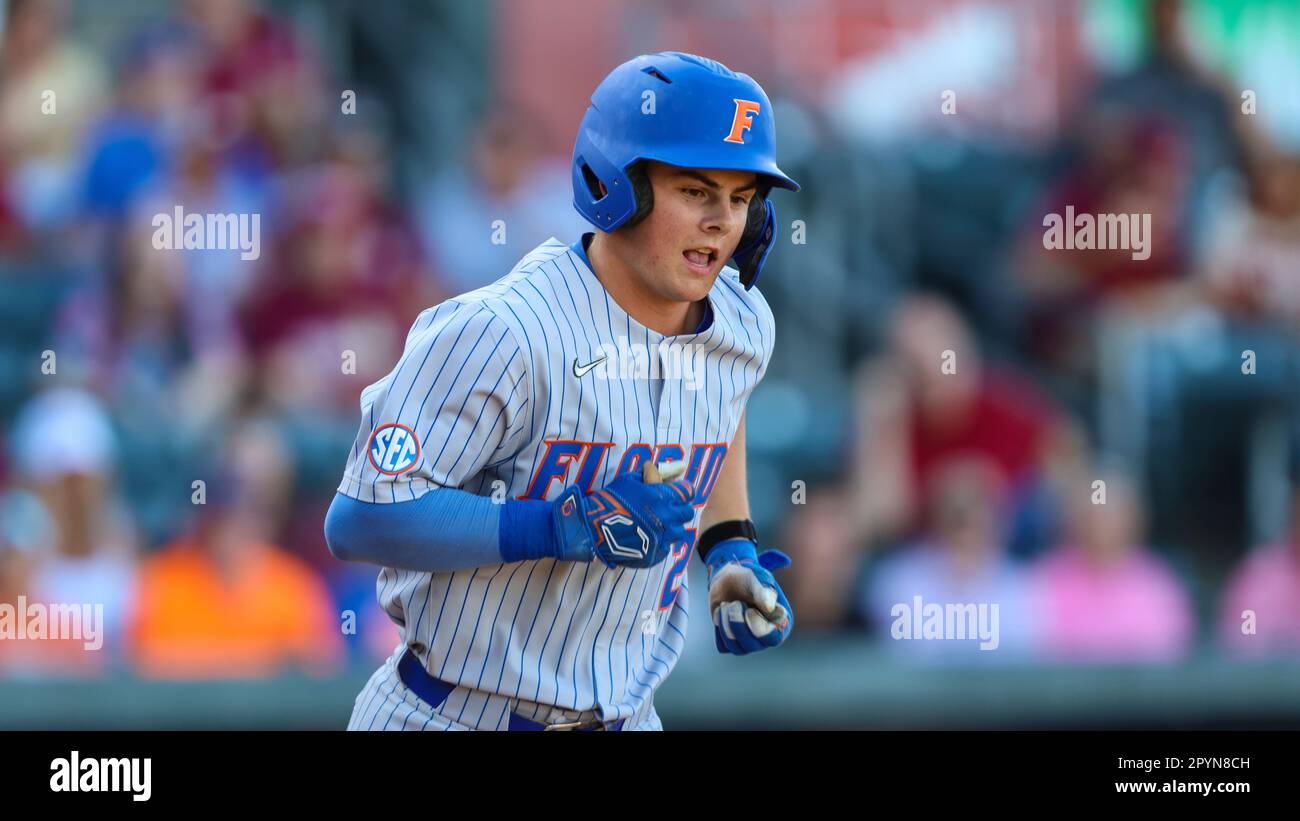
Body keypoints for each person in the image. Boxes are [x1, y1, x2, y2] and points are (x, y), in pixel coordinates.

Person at [325, 51, 799, 731]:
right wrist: (556, 525)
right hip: (456, 713)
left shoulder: (743, 319)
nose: (723, 220)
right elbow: (360, 520)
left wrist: (729, 548)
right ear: (618, 185)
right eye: (696, 191)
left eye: (741, 197)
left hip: (628, 716)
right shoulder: (504, 330)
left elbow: (723, 403)